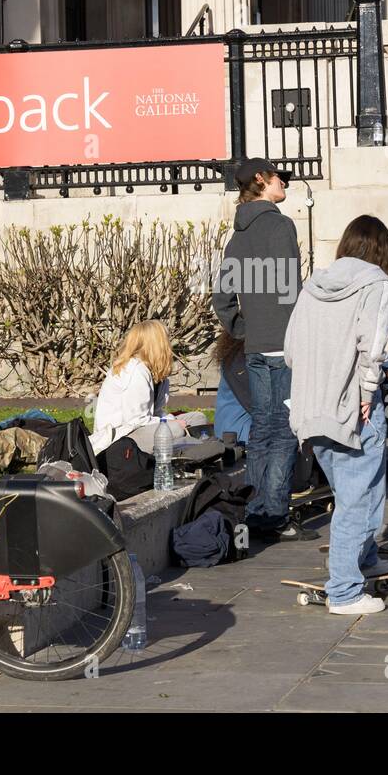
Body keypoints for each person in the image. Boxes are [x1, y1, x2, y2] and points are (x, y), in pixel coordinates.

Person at [286, 215, 388, 614]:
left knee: (356, 492)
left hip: (310, 408)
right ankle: (344, 591)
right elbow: (371, 345)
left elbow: (290, 350)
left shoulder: (312, 286)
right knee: (356, 498)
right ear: (383, 251)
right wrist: (369, 390)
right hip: (355, 408)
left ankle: (365, 558)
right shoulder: (378, 285)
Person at [212, 157, 313, 541]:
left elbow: (223, 298)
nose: (284, 183)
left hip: (255, 345)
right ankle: (274, 513)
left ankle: (254, 510)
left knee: (261, 428)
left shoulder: (237, 236)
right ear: (261, 180)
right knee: (284, 428)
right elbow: (290, 291)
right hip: (281, 344)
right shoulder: (280, 225)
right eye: (278, 177)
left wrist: (245, 328)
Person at [88, 320, 208, 454]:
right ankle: (180, 450)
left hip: (142, 427)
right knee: (175, 430)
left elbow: (156, 412)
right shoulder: (135, 370)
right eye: (166, 339)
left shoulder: (156, 373)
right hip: (120, 438)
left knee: (198, 418)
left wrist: (170, 419)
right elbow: (136, 420)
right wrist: (171, 422)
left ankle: (183, 450)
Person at [211, 328, 252, 444]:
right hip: (236, 434)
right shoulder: (238, 359)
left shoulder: (236, 355)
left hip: (234, 428)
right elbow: (254, 402)